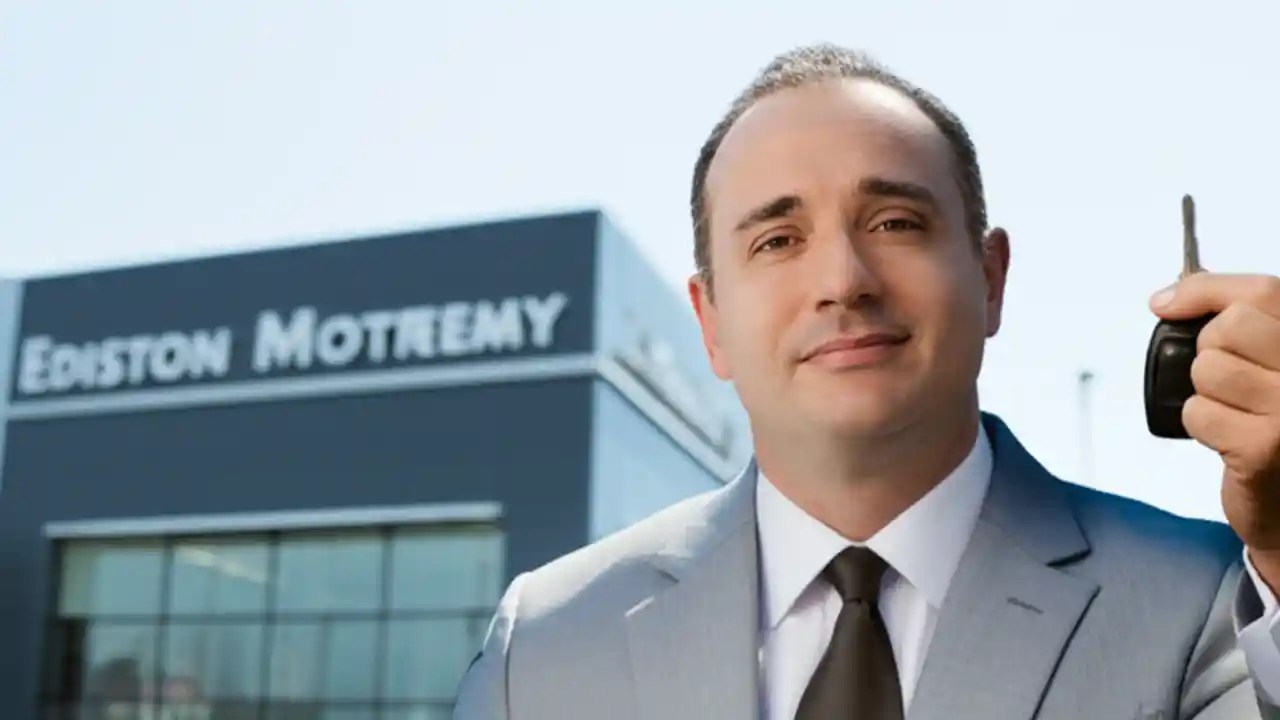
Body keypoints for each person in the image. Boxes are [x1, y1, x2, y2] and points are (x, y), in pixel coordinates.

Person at [453, 43, 1280, 719]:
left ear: (990, 279)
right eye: (778, 240)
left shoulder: (1224, 598)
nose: (843, 281)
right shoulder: (546, 645)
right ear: (711, 324)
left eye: (894, 222)